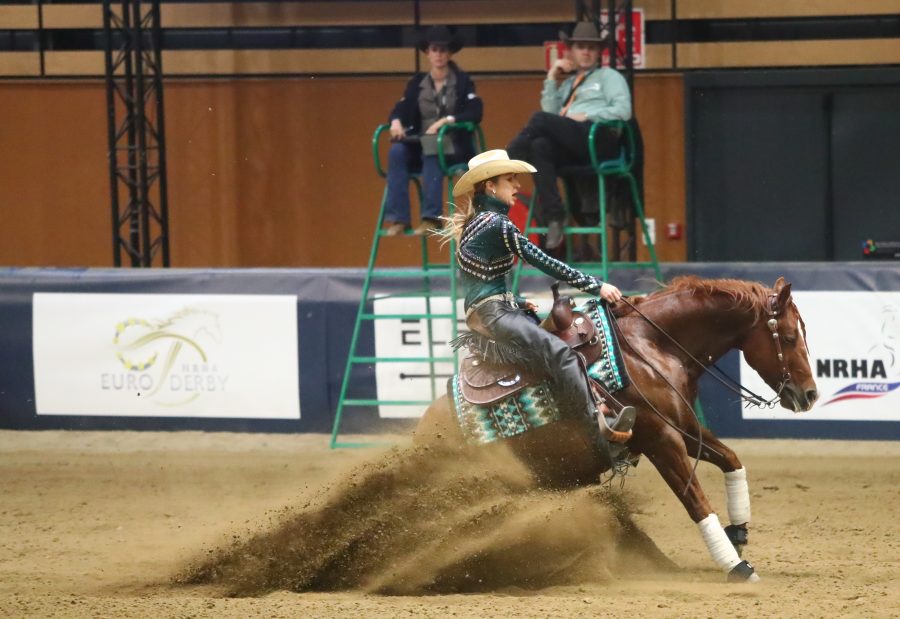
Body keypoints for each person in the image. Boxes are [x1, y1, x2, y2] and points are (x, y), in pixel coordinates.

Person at [443, 149, 635, 440]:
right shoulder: (497, 224)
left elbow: (479, 280)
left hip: (493, 312)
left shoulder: (477, 224)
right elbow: (542, 260)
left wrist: (517, 302)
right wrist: (596, 286)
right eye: (510, 180)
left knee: (556, 345)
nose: (518, 186)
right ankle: (593, 425)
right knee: (560, 353)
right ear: (490, 186)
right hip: (495, 315)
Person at [506, 21, 632, 249]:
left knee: (539, 120)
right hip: (576, 143)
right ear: (572, 51)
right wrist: (552, 77)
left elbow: (623, 111)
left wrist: (588, 116)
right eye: (580, 46)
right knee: (539, 146)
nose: (585, 52)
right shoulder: (569, 84)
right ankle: (555, 215)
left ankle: (508, 158)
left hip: (600, 138)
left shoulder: (609, 77)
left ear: (598, 52)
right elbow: (551, 116)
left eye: (591, 48)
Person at [383, 25, 483, 236]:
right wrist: (395, 121)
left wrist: (447, 120)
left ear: (449, 53)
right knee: (397, 152)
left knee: (431, 148)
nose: (439, 54)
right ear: (427, 52)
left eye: (443, 50)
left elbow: (475, 111)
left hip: (453, 146)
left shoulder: (463, 82)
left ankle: (431, 217)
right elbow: (400, 108)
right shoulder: (417, 82)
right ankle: (399, 218)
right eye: (434, 49)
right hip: (422, 144)